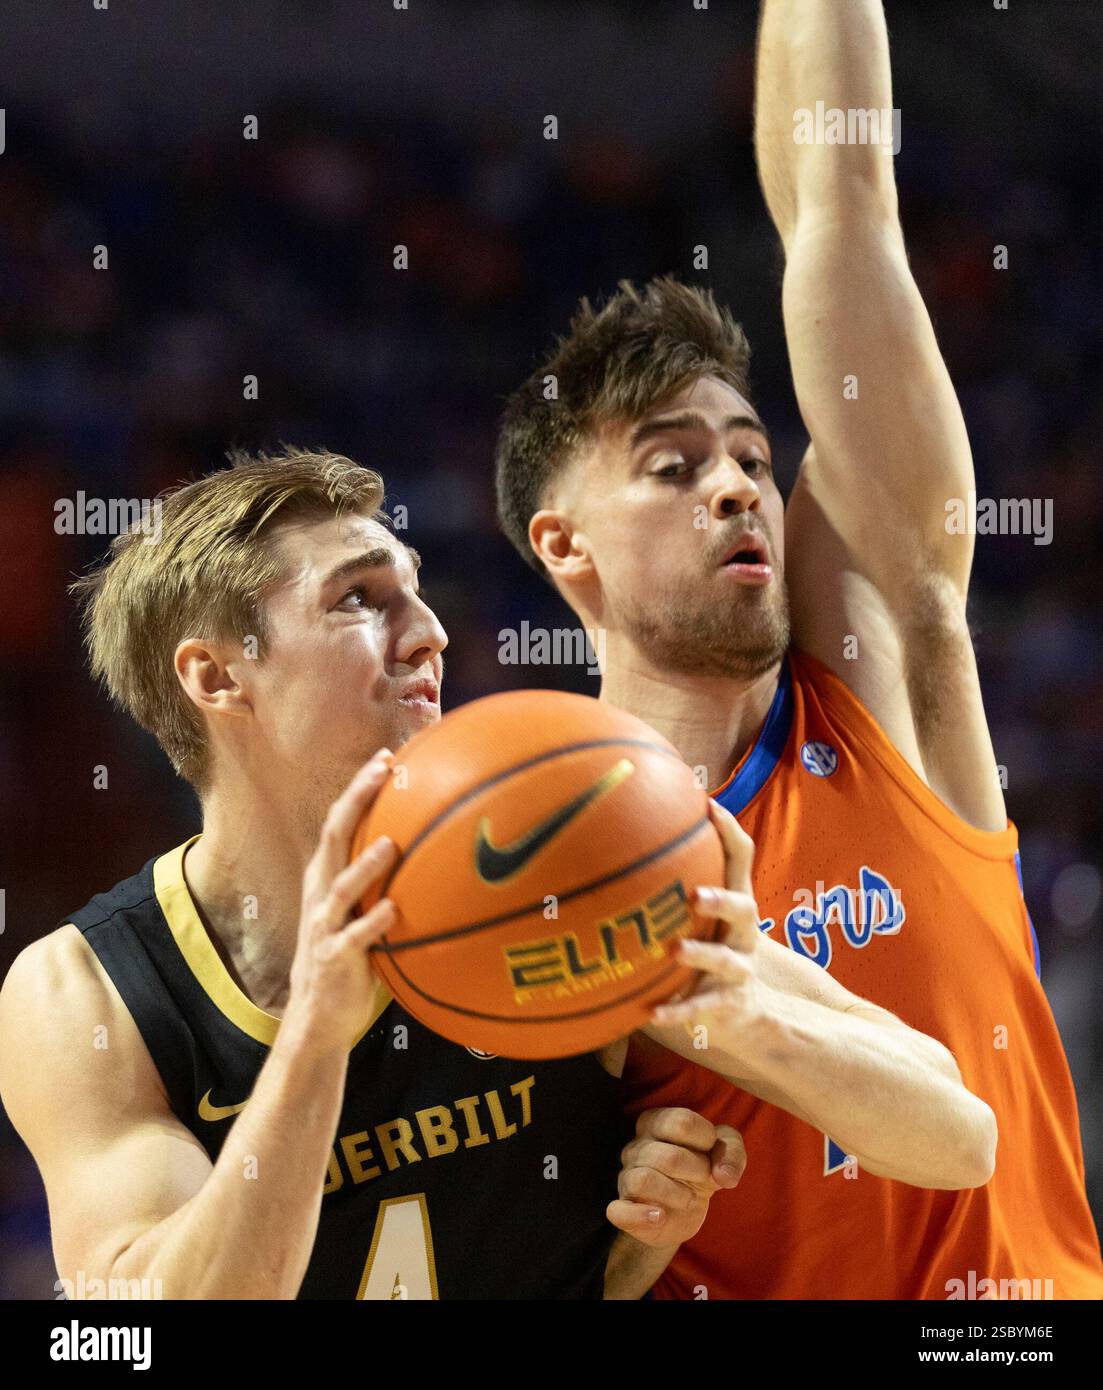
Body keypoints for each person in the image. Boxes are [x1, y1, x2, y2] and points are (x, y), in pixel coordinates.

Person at [1, 447, 991, 1300]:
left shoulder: (550, 867)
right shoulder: (86, 991)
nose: (429, 629)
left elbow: (956, 1135)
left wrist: (727, 1009)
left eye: (416, 587)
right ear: (217, 676)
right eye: (358, 599)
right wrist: (314, 1039)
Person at [493, 0, 1103, 1300]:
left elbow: (841, 205)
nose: (733, 486)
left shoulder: (885, 669)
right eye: (672, 466)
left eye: (750, 459)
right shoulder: (528, 870)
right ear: (563, 549)